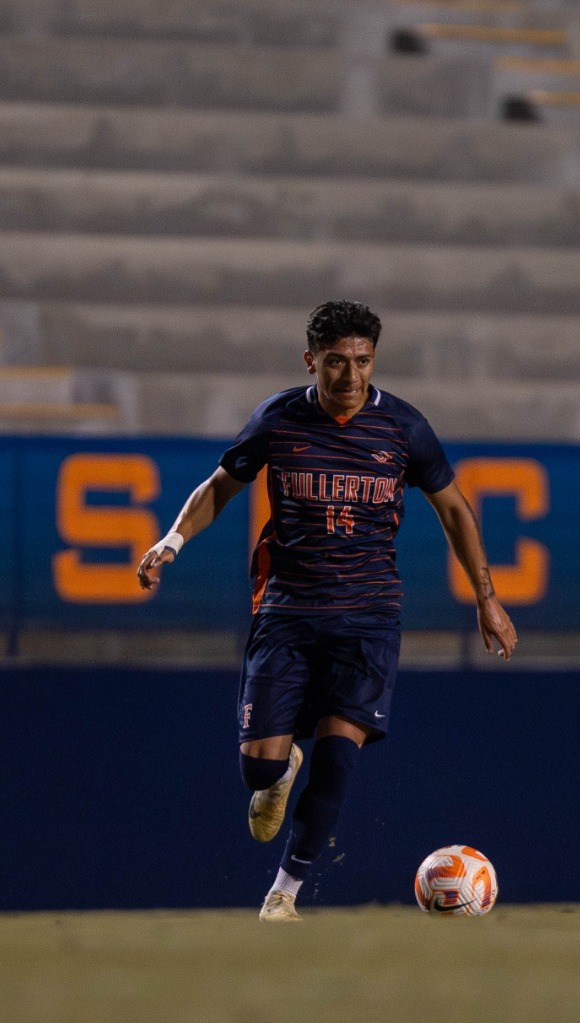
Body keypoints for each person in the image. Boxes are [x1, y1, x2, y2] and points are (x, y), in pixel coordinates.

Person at [136, 300, 517, 922]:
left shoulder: (403, 428)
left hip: (368, 617)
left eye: (362, 361)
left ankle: (283, 894)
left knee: (340, 754)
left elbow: (453, 508)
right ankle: (279, 769)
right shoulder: (278, 421)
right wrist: (171, 540)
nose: (350, 376)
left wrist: (487, 596)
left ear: (374, 360)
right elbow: (220, 487)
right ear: (311, 360)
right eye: (336, 362)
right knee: (259, 770)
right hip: (286, 612)